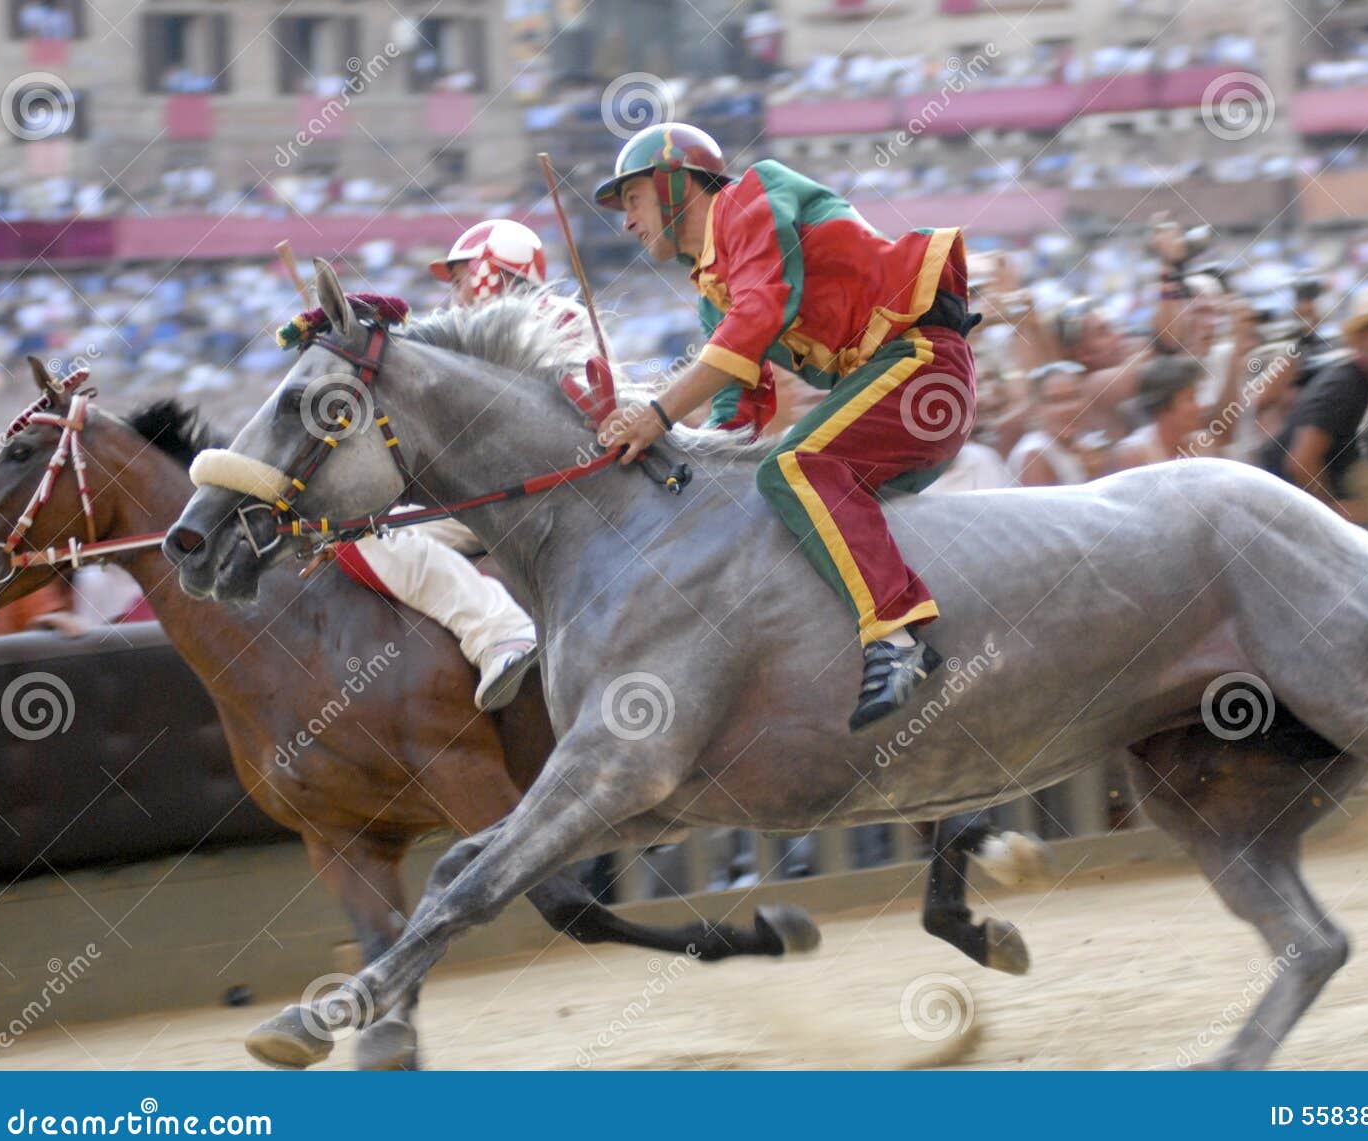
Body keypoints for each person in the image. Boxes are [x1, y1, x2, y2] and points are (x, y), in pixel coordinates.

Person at [592, 122, 980, 731]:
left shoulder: (754, 196)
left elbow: (757, 317)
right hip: (887, 382)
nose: (627, 221)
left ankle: (899, 638)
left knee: (795, 467)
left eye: (633, 199)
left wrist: (658, 414)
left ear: (676, 185)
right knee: (763, 484)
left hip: (921, 365)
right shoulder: (711, 291)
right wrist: (674, 457)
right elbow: (739, 415)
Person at [330, 220, 552, 712]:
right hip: (491, 492)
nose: (452, 294)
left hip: (537, 493)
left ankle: (503, 633)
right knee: (353, 539)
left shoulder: (550, 319)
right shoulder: (464, 346)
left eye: (459, 278)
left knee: (361, 538)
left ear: (495, 272)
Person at [1261, 284, 1368, 524]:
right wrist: (1332, 509)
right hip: (1284, 503)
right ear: (1361, 341)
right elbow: (1301, 460)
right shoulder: (1344, 385)